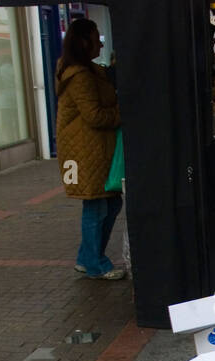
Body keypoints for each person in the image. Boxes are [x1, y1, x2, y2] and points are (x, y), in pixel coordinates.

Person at [55, 18, 124, 281]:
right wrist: (122, 113)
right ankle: (95, 264)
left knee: (110, 202)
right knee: (97, 207)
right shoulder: (80, 76)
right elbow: (94, 115)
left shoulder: (90, 70)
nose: (100, 43)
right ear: (84, 42)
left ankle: (87, 258)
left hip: (95, 149)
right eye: (97, 39)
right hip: (85, 151)